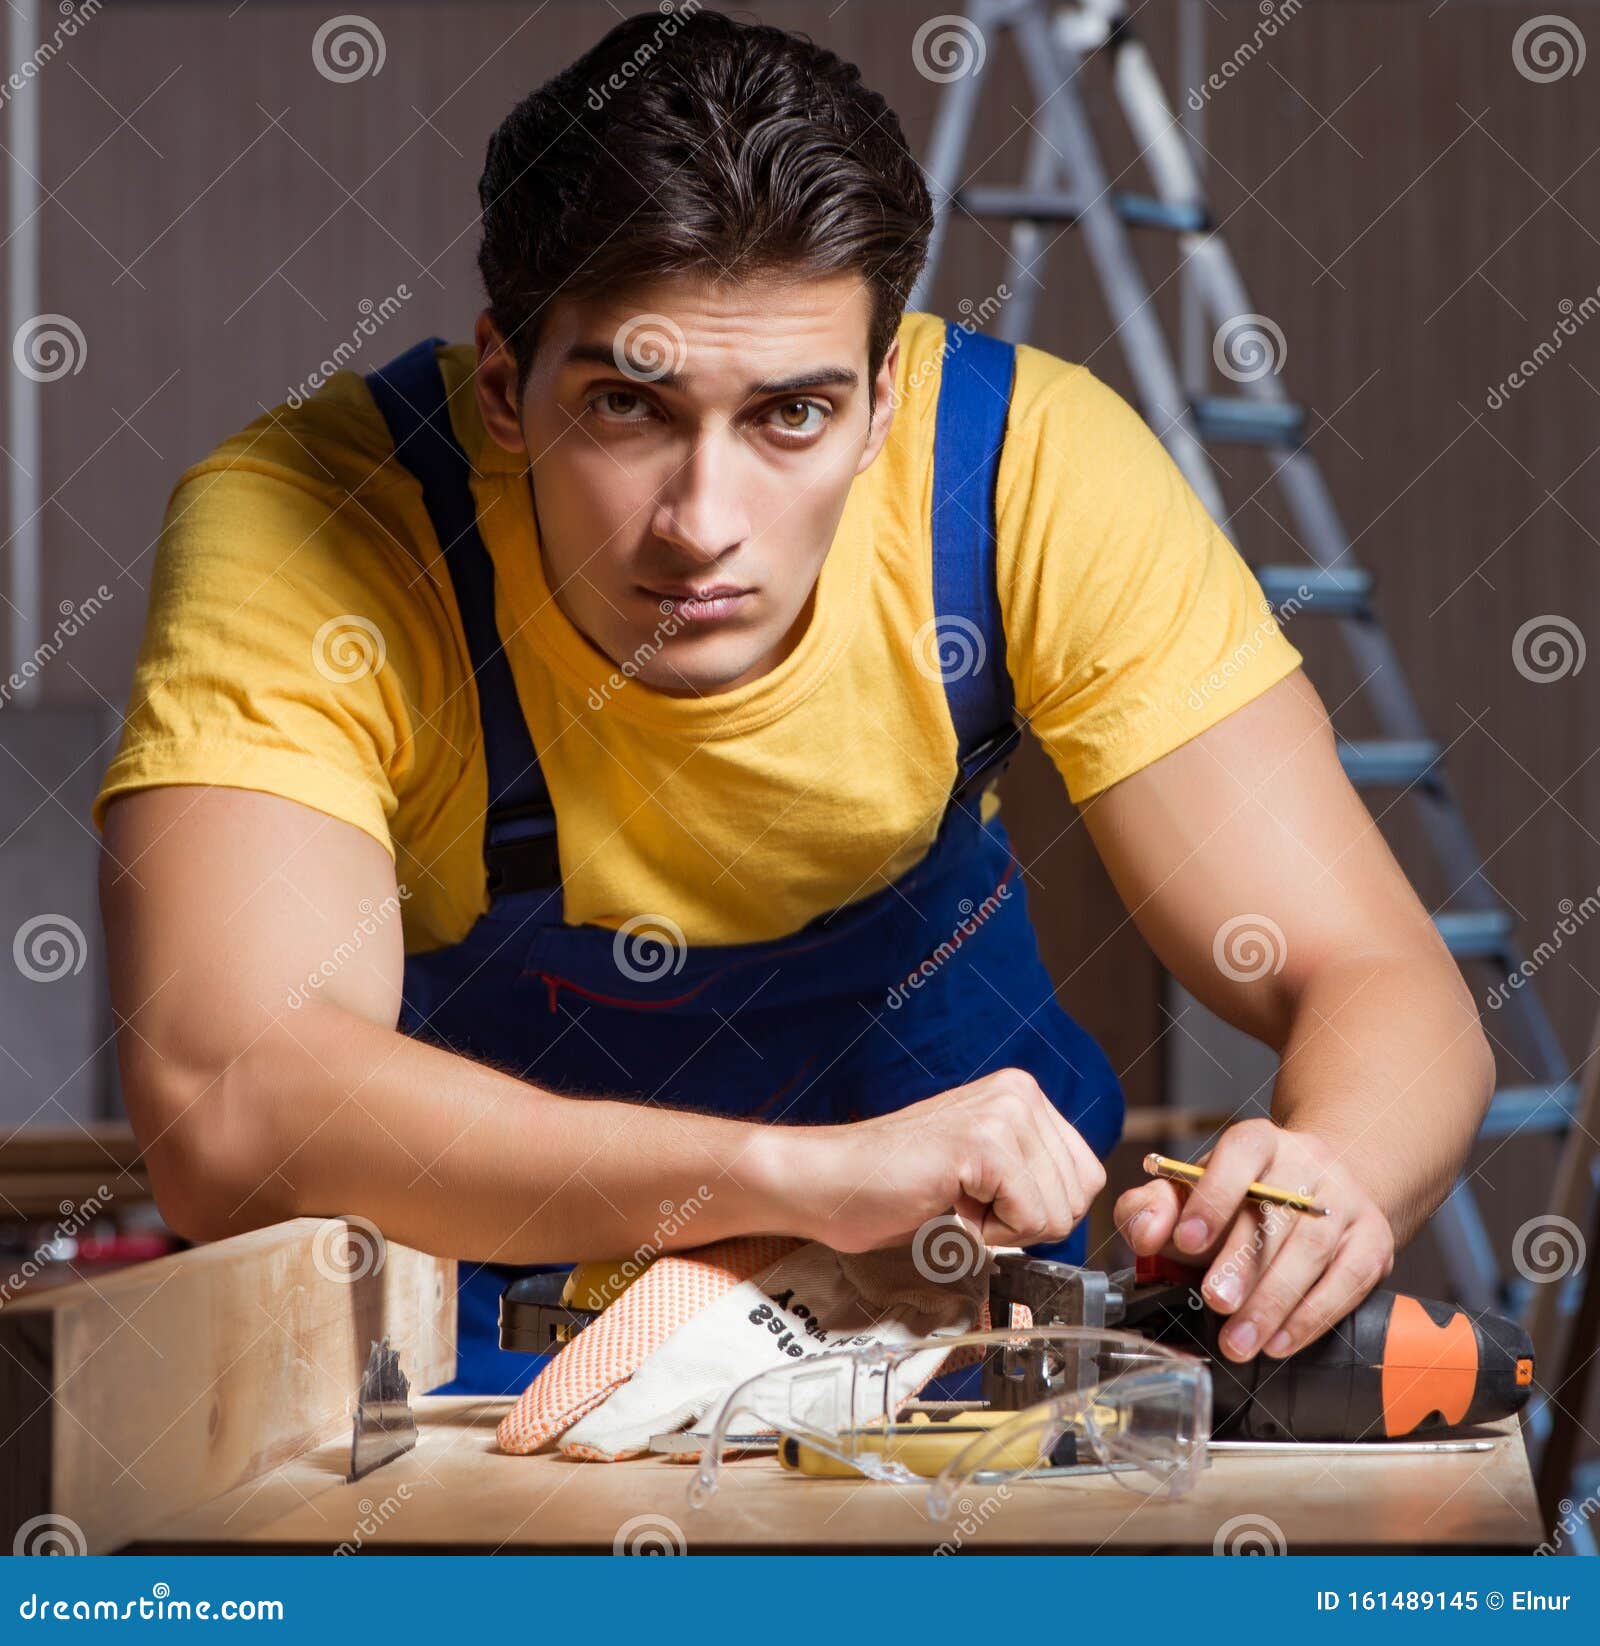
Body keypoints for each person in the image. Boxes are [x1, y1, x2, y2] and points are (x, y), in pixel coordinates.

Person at [94, 10, 1492, 1393]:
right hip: (493, 1376)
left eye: (792, 415)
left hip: (968, 1358)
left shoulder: (1030, 473)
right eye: (632, 408)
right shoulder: (317, 519)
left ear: (883, 401)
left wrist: (1329, 1173)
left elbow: (1382, 978)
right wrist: (792, 1181)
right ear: (510, 390)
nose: (704, 522)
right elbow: (233, 1106)